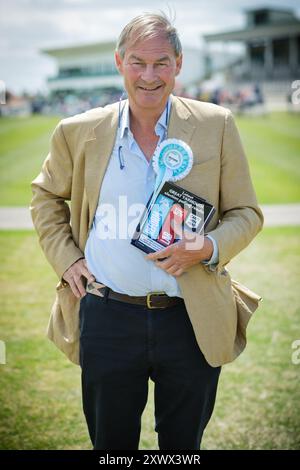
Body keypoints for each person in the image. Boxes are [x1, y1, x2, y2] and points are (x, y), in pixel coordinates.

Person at [30, 12, 264, 450]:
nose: (149, 76)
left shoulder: (217, 125)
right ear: (119, 62)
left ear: (178, 63)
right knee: (111, 447)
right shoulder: (78, 131)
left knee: (182, 449)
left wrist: (208, 245)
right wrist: (69, 260)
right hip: (108, 315)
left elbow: (247, 212)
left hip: (190, 318)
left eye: (161, 63)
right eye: (138, 62)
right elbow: (45, 197)